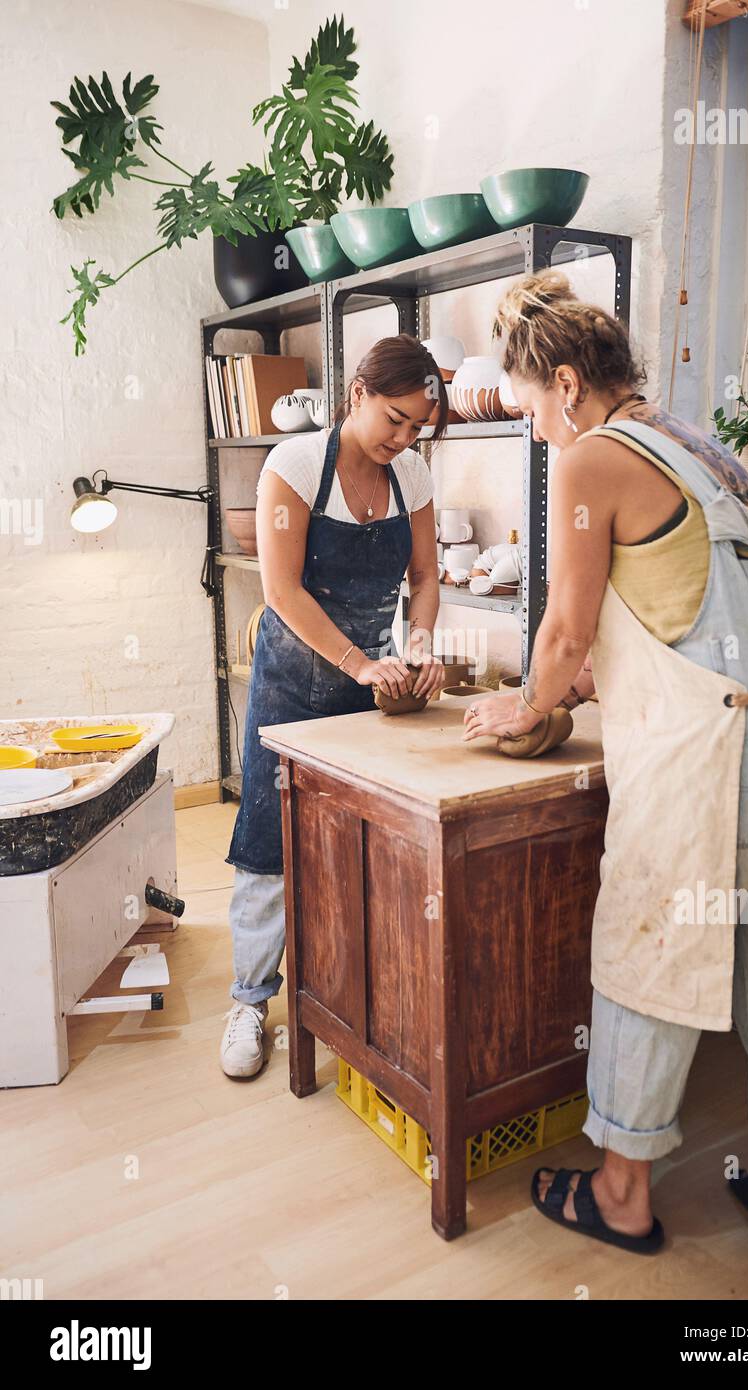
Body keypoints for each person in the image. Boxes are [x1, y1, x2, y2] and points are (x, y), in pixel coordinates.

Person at [463, 270, 748, 1279]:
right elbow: (692, 615)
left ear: (563, 384)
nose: (539, 436)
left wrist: (529, 703)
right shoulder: (703, 448)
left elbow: (560, 628)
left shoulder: (593, 457)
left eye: (530, 414)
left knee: (646, 950)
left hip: (721, 759)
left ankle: (623, 1192)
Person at [221, 334, 450, 1077]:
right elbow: (281, 591)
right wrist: (357, 659)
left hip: (364, 695)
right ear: (355, 395)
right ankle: (249, 1003)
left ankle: (345, 999)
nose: (404, 437)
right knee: (268, 841)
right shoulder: (293, 466)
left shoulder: (410, 473)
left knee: (347, 844)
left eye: (418, 426)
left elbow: (424, 575)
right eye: (394, 418)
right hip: (291, 685)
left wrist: (416, 645)